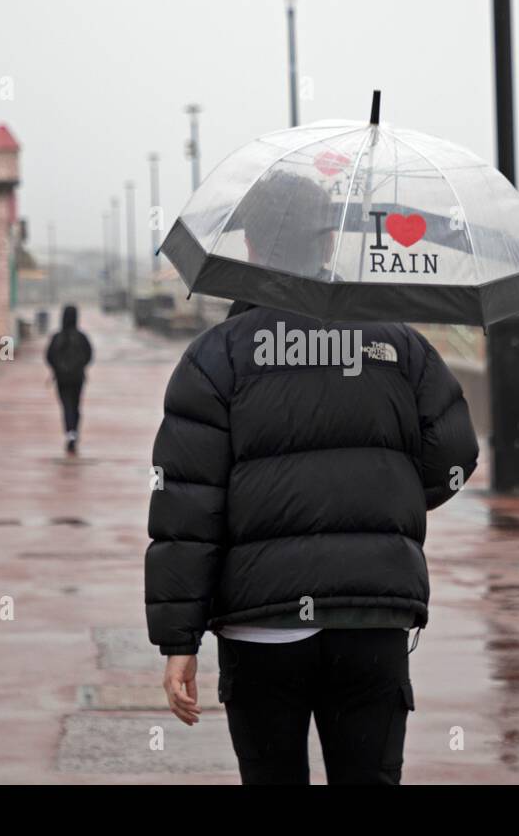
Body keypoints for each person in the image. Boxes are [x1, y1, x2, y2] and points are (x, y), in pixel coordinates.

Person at [144, 171, 479, 784]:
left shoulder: (216, 358)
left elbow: (186, 509)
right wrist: (384, 506)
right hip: (371, 618)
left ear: (250, 248)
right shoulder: (398, 345)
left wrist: (179, 642)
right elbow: (455, 456)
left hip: (260, 627)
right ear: (327, 243)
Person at [45, 304, 94, 456]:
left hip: (61, 378)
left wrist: (57, 368)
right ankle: (74, 431)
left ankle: (70, 432)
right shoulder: (81, 337)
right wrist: (80, 366)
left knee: (66, 405)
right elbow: (89, 355)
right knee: (76, 405)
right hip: (77, 377)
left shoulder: (57, 337)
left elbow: (49, 356)